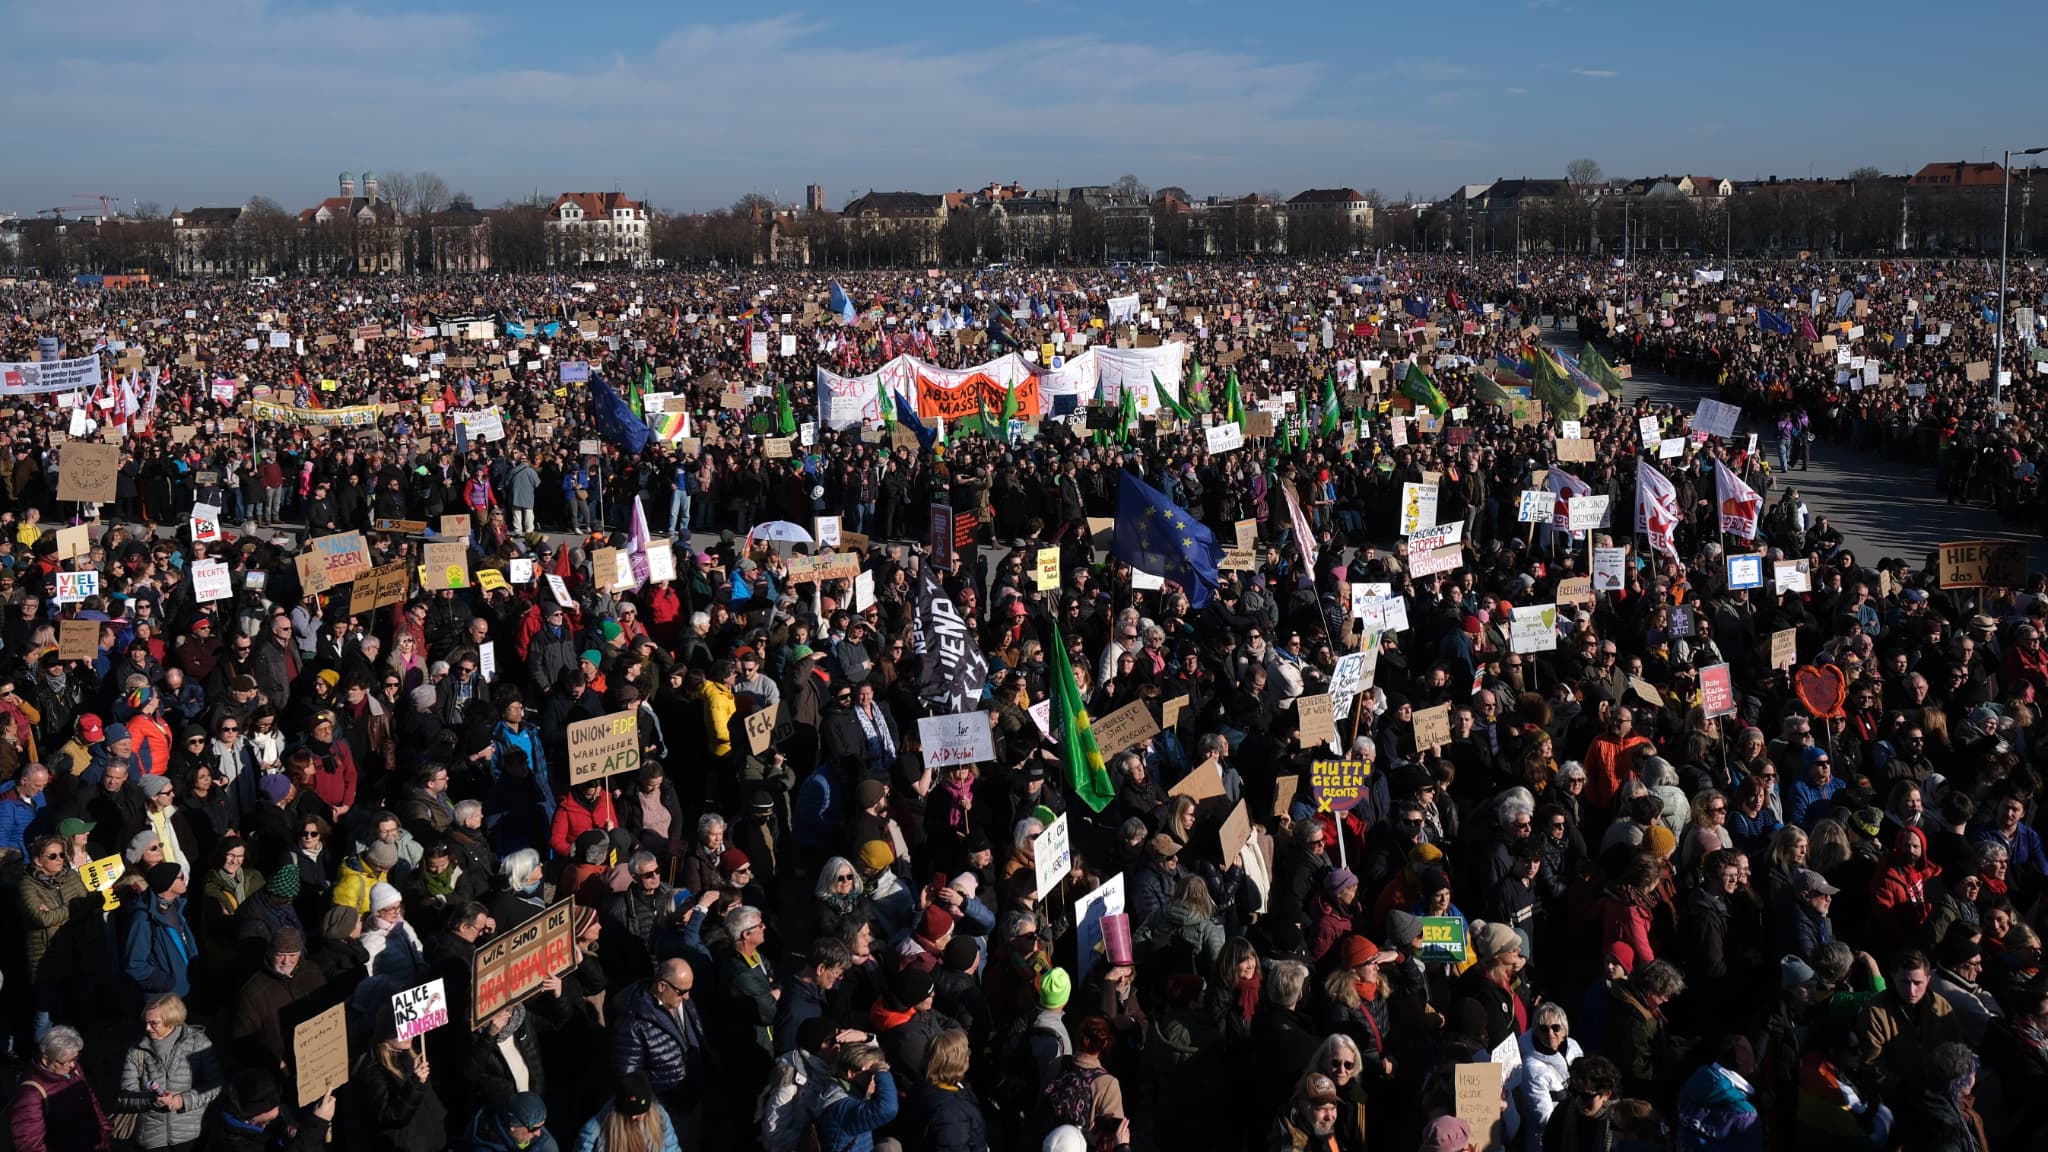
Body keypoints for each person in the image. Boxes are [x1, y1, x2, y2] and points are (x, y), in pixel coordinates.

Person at [116, 993, 222, 1152]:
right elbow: (125, 1097)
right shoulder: (137, 1050)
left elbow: (214, 1085)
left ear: (171, 1021)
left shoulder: (198, 1044)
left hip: (191, 1134)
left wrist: (182, 1101)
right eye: (146, 1022)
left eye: (154, 1023)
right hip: (151, 1139)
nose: (147, 1028)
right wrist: (150, 1099)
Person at [9, 1025, 111, 1152]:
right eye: (65, 1062)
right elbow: (30, 1144)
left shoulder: (74, 1070)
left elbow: (91, 1101)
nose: (72, 1065)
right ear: (46, 1059)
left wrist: (104, 1132)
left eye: (75, 1058)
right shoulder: (31, 1094)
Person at [812, 1041, 900, 1152]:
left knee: (890, 1144)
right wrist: (882, 1071)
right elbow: (888, 1108)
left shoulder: (838, 1092)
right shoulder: (843, 1108)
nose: (876, 1080)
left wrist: (869, 1038)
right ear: (851, 1073)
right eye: (872, 1073)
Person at [575, 1072, 682, 1152]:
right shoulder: (594, 1130)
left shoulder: (660, 1117)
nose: (635, 1118)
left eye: (641, 1113)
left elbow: (672, 1149)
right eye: (630, 1114)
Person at [466, 1091, 559, 1152]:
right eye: (534, 1129)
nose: (539, 1133)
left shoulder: (540, 1137)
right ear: (513, 1126)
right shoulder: (483, 1147)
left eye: (542, 1125)